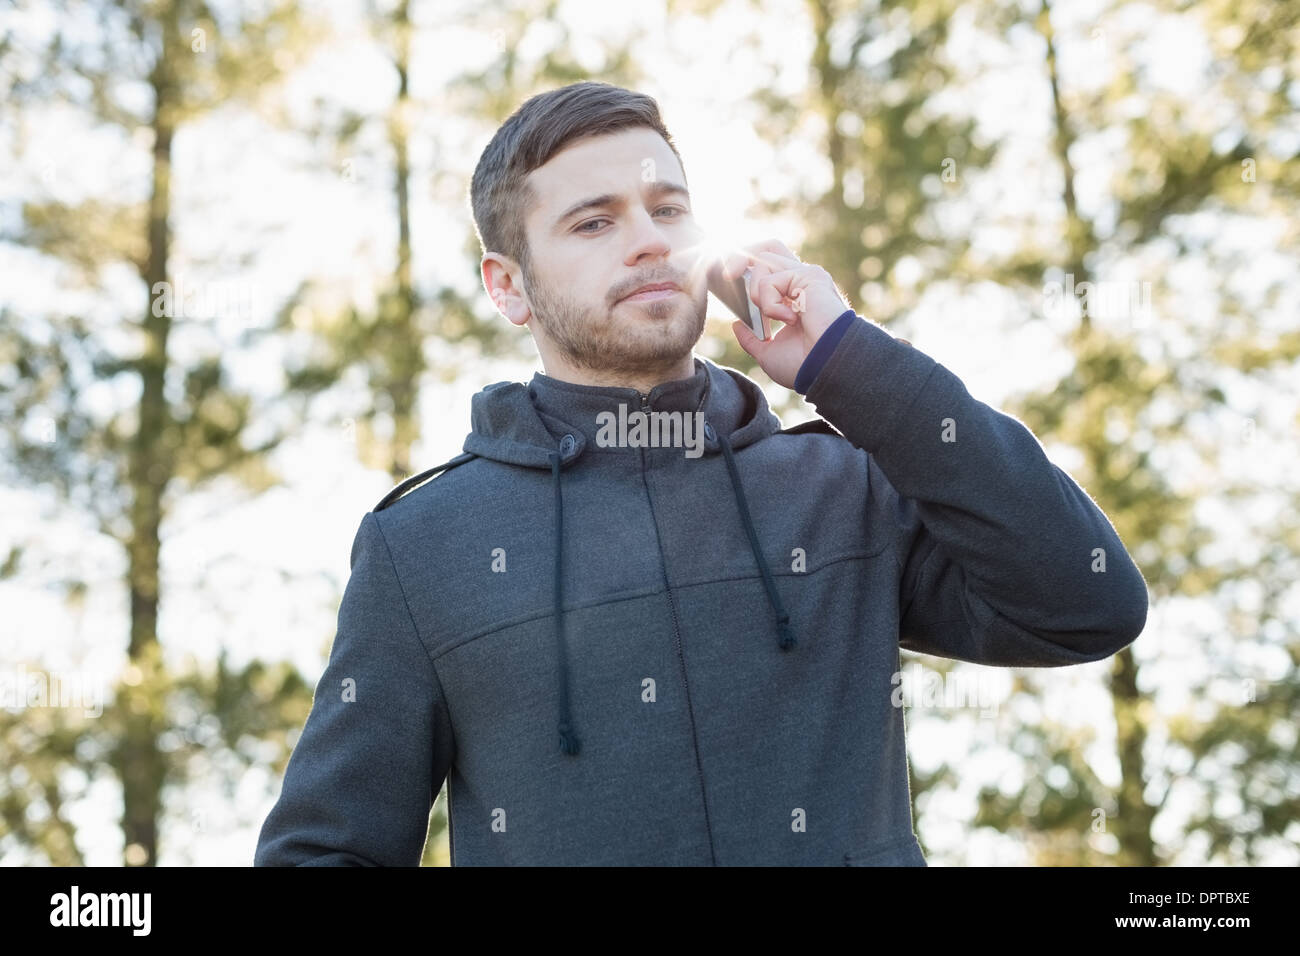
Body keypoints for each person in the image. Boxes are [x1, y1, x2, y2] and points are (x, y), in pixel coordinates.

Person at [254, 80, 1148, 866]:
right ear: (508, 287)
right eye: (595, 221)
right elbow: (326, 850)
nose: (648, 242)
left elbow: (1086, 606)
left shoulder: (842, 487)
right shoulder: (426, 545)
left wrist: (847, 361)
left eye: (667, 209)